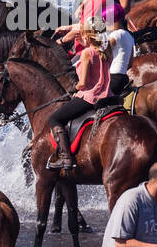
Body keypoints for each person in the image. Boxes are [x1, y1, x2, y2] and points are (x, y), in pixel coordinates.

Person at [47, 22, 110, 171]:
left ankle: (65, 157)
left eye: (81, 35)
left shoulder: (87, 53)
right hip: (108, 94)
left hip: (90, 96)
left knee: (54, 118)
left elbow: (82, 83)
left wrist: (73, 89)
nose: (79, 38)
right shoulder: (106, 49)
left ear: (88, 36)